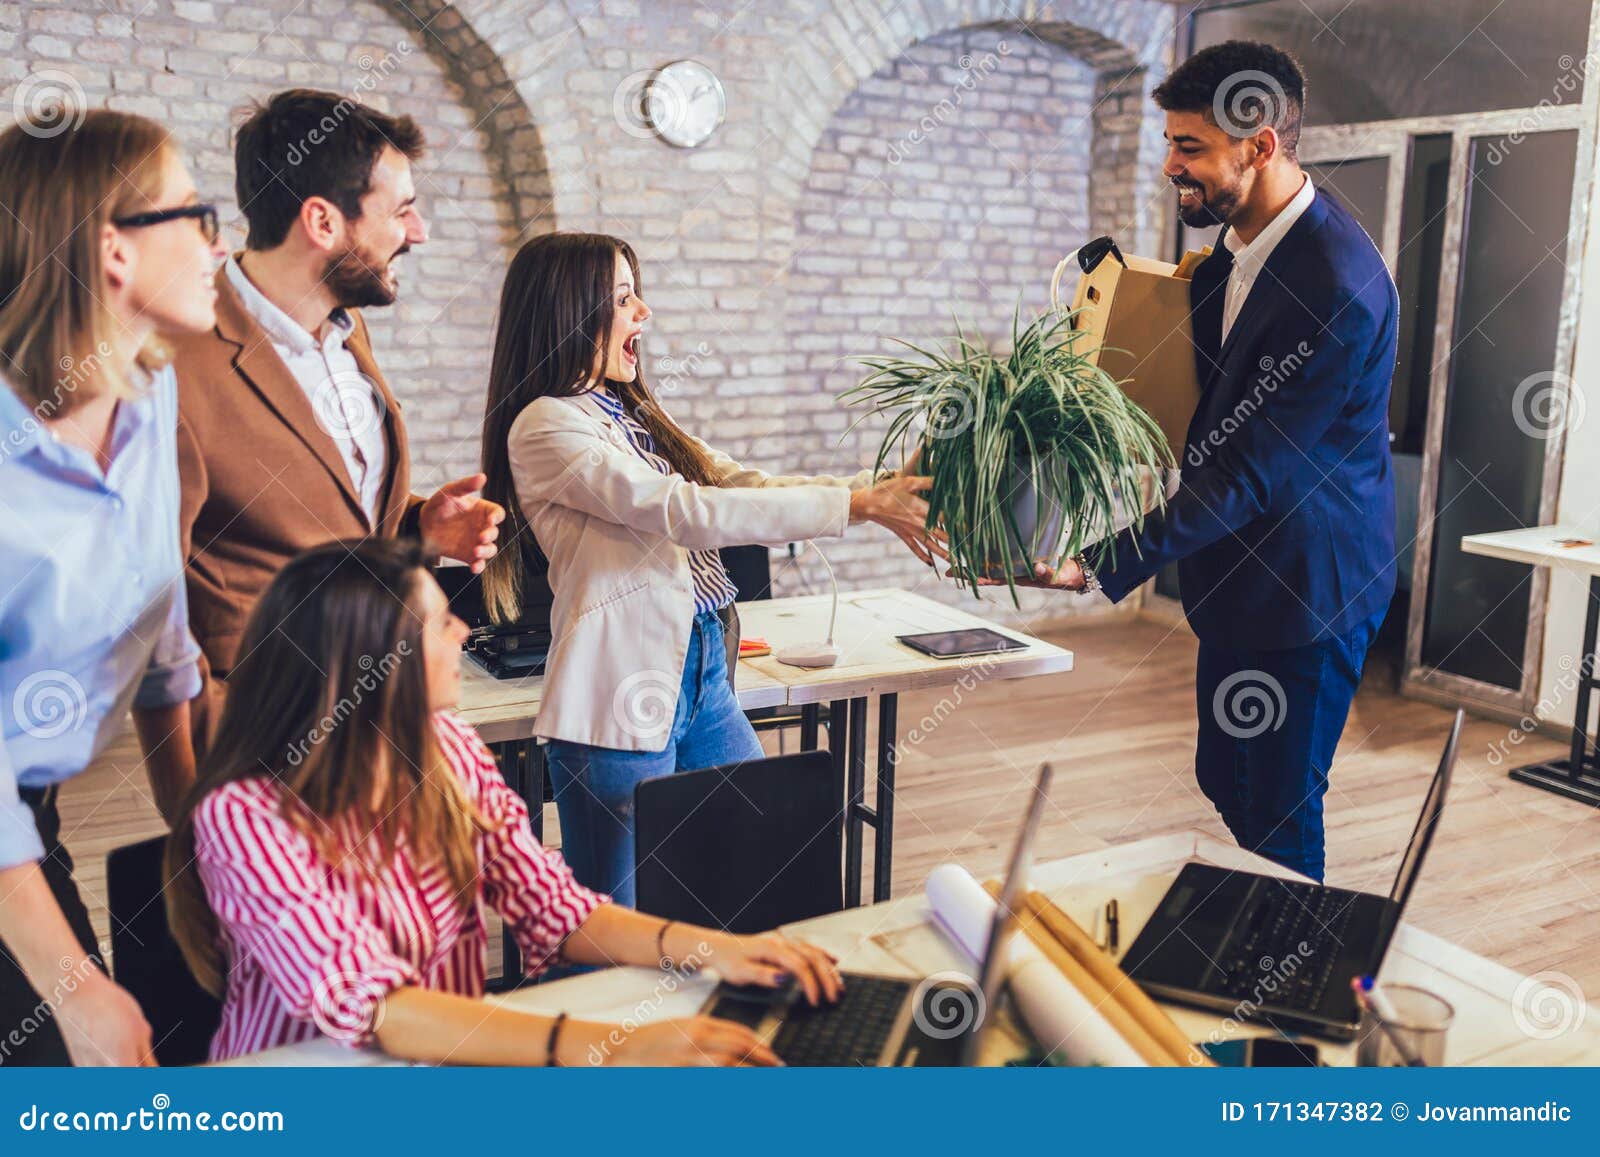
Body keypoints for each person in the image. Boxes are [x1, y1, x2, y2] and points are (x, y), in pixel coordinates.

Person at [165, 538, 842, 1065]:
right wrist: (610, 1047)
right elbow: (377, 1008)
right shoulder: (243, 816)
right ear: (369, 666)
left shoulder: (447, 747)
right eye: (436, 623)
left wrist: (717, 950)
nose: (462, 630)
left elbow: (555, 907)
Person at [1007, 42, 1397, 881]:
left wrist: (1098, 561)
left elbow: (1255, 470)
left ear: (1259, 145)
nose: (1170, 166)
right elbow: (1191, 378)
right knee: (1222, 778)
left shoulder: (1336, 285)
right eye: (1170, 143)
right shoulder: (1236, 248)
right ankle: (1248, 944)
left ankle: (1280, 1001)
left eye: (1189, 148)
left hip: (1308, 589)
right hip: (1237, 574)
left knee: (1281, 815)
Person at [479, 231, 943, 905]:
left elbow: (734, 481)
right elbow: (685, 511)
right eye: (624, 297)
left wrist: (867, 496)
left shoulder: (633, 411)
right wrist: (856, 505)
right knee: (612, 925)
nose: (644, 313)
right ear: (571, 309)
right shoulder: (545, 426)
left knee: (763, 858)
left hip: (701, 676)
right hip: (620, 694)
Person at [168, 89, 504, 752]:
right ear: (322, 223)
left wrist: (416, 528)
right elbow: (152, 612)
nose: (419, 231)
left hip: (386, 721)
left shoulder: (347, 334)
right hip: (263, 740)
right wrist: (205, 790)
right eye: (402, 209)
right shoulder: (177, 361)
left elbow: (322, 510)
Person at [0, 108, 228, 1065]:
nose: (221, 245)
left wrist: (198, 851)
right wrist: (75, 987)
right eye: (197, 215)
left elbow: (164, 643)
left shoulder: (148, 387)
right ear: (113, 252)